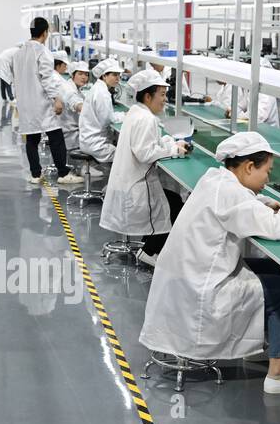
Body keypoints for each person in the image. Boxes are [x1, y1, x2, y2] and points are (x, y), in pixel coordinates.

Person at [140, 132, 280, 395]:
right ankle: (278, 376)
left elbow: (244, 204)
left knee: (270, 269)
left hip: (186, 279)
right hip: (203, 292)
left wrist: (267, 202)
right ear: (248, 167)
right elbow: (274, 227)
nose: (268, 179)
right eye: (267, 172)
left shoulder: (215, 179)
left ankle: (265, 344)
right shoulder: (232, 196)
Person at [100, 67, 190, 267]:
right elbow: (145, 153)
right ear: (148, 96)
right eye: (162, 95)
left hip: (128, 183)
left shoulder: (136, 112)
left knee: (173, 200)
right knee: (175, 205)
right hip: (137, 188)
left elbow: (149, 144)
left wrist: (171, 145)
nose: (165, 99)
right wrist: (174, 150)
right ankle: (149, 251)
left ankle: (148, 246)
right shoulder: (146, 118)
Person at [13, 17, 83, 186]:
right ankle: (63, 173)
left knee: (32, 138)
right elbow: (47, 79)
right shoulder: (43, 52)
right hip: (41, 102)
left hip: (25, 102)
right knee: (56, 136)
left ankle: (35, 174)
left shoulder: (19, 53)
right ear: (45, 33)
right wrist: (57, 99)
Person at [79, 58, 123, 170]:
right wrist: (124, 116)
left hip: (89, 140)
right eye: (114, 75)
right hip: (96, 144)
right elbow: (107, 120)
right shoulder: (102, 93)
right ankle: (115, 186)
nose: (118, 78)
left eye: (119, 75)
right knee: (127, 156)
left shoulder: (98, 88)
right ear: (104, 76)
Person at [210, 77, 280, 128]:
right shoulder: (252, 89)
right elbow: (241, 105)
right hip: (255, 128)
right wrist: (232, 110)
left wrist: (236, 115)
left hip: (268, 130)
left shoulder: (265, 93)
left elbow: (258, 116)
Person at [58, 61, 90, 152]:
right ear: (72, 75)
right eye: (80, 74)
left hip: (72, 132)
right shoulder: (69, 90)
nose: (84, 77)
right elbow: (78, 105)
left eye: (86, 74)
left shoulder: (74, 87)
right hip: (71, 136)